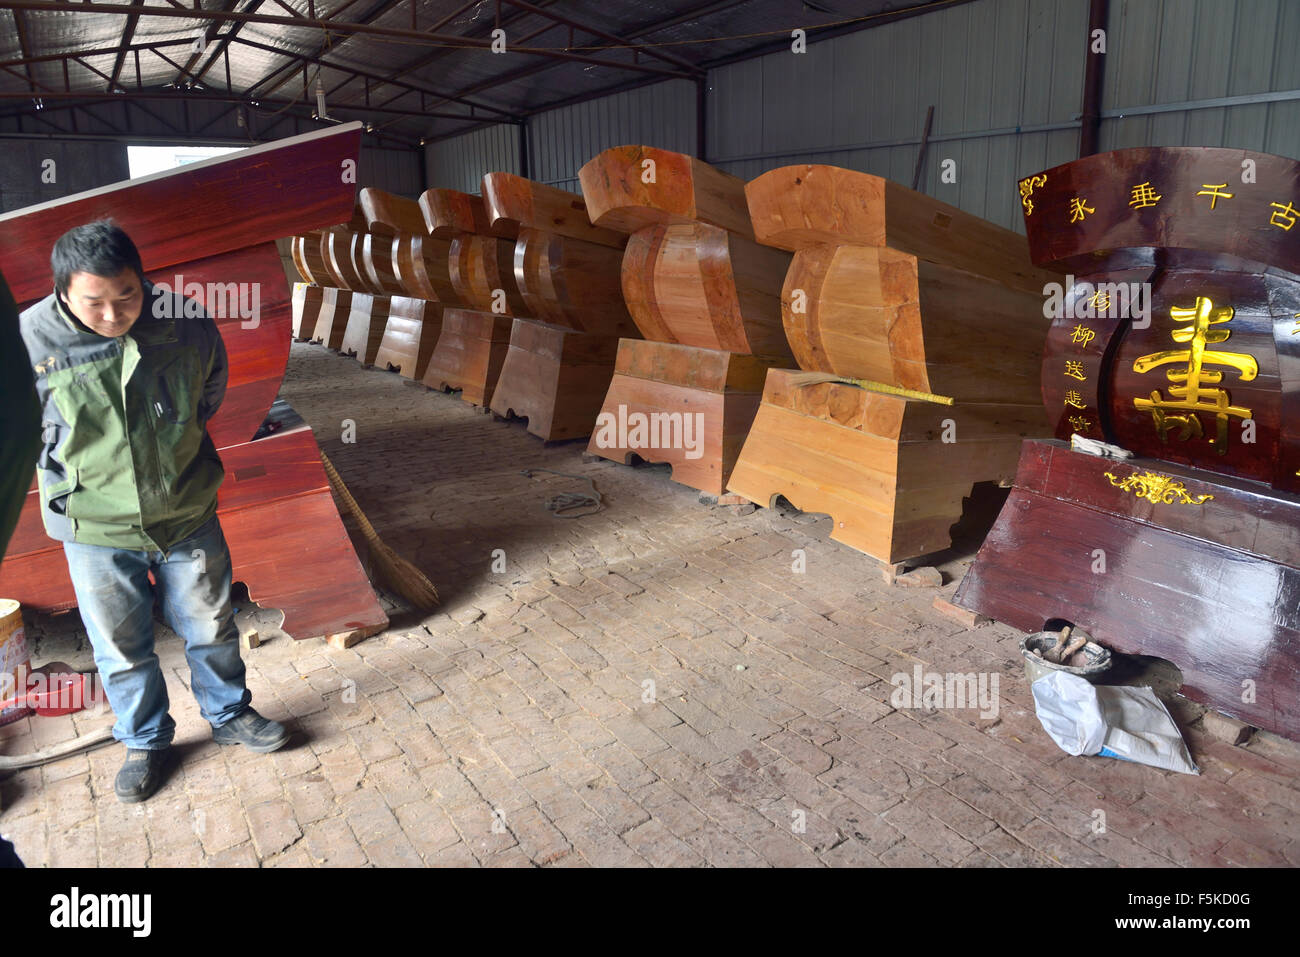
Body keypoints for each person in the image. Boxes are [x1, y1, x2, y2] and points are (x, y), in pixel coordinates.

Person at [18, 219, 288, 804]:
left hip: (186, 507)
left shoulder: (185, 321)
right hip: (94, 523)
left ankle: (230, 714)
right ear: (62, 290)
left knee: (211, 623)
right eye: (95, 303)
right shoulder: (27, 342)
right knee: (118, 643)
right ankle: (145, 739)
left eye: (128, 296)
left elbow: (208, 396)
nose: (114, 315)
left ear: (143, 281)